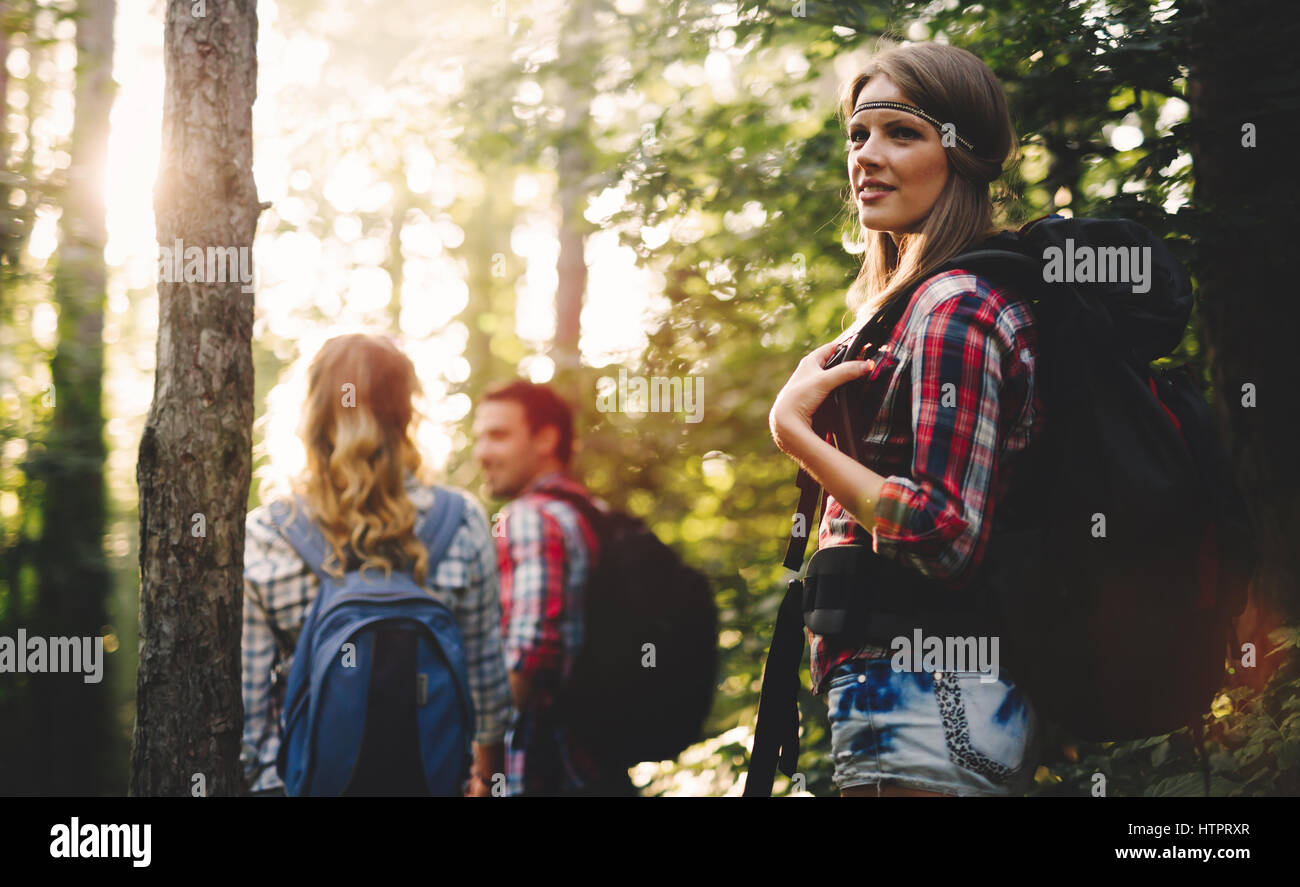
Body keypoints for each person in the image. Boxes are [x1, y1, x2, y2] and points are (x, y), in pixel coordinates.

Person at [767, 42, 1045, 797]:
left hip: (922, 701)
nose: (867, 155)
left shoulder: (954, 309)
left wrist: (794, 434)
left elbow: (943, 534)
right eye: (858, 134)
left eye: (901, 132)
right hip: (928, 704)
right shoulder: (920, 306)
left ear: (965, 152)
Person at [241, 333, 510, 796]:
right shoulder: (461, 520)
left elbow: (250, 710)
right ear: (407, 413)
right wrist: (487, 777)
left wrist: (270, 785)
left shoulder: (268, 534)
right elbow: (486, 680)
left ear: (309, 414)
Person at [472, 380, 636, 796]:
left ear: (546, 438)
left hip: (541, 768)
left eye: (499, 435)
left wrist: (481, 765)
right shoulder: (590, 513)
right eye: (480, 438)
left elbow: (530, 653)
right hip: (596, 762)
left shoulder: (528, 518)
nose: (482, 453)